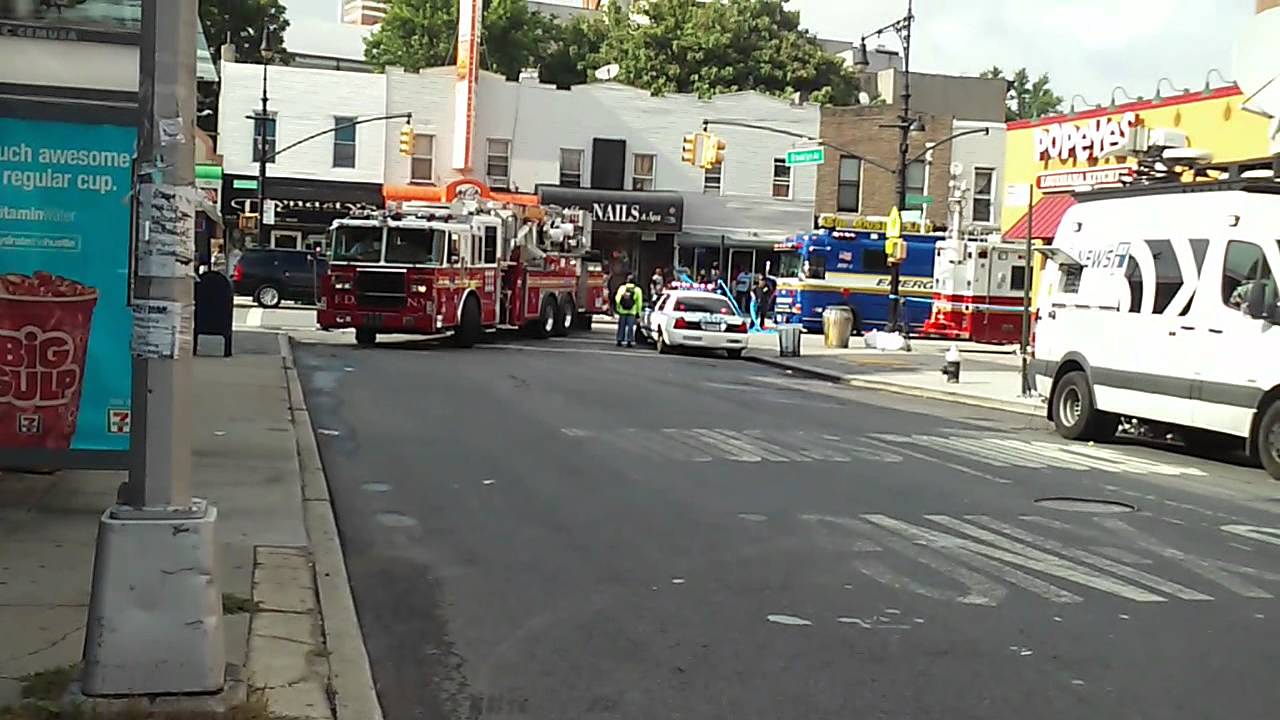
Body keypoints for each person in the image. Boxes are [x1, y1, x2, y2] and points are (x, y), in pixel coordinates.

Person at [615, 273, 643, 347]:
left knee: (621, 326)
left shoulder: (622, 288)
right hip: (632, 311)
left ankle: (619, 340)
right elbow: (639, 303)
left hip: (622, 311)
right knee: (630, 327)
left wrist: (618, 308)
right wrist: (638, 313)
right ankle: (629, 341)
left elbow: (617, 299)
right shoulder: (638, 290)